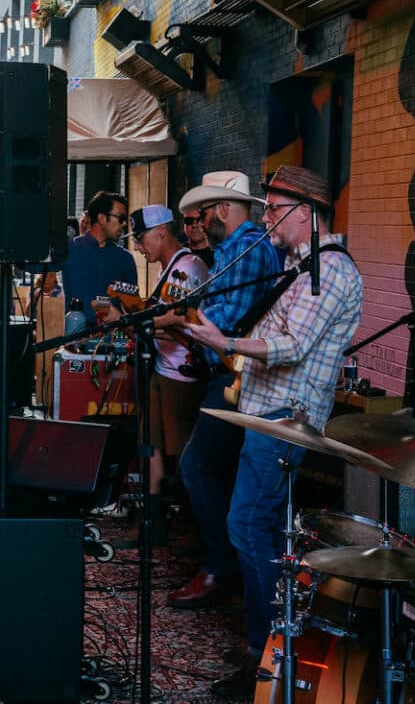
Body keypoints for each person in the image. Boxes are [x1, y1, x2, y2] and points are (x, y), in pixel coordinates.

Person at [182, 166, 363, 696]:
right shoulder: (298, 267)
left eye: (275, 208)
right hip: (263, 412)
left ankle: (268, 659)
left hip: (285, 422)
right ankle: (266, 654)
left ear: (306, 211)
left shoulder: (326, 272)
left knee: (251, 529)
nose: (266, 217)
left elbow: (292, 347)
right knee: (251, 528)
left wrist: (228, 344)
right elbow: (273, 332)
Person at [169, 172, 284, 608]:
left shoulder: (248, 249)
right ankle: (223, 562)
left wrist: (183, 319)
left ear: (221, 209)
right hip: (227, 374)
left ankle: (221, 567)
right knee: (209, 468)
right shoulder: (229, 252)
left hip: (239, 377)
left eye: (202, 214)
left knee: (198, 466)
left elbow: (226, 322)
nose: (198, 222)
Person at [118, 205, 211, 549]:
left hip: (182, 376)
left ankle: (192, 526)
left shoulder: (187, 268)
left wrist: (134, 320)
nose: (139, 247)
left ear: (161, 232)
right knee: (152, 446)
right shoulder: (169, 268)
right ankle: (151, 522)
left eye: (141, 239)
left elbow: (175, 317)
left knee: (183, 454)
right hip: (163, 369)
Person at [60, 191, 138, 329]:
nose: (125, 224)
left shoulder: (126, 259)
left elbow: (133, 306)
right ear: (102, 218)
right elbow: (34, 265)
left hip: (116, 339)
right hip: (75, 335)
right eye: (120, 218)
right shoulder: (70, 248)